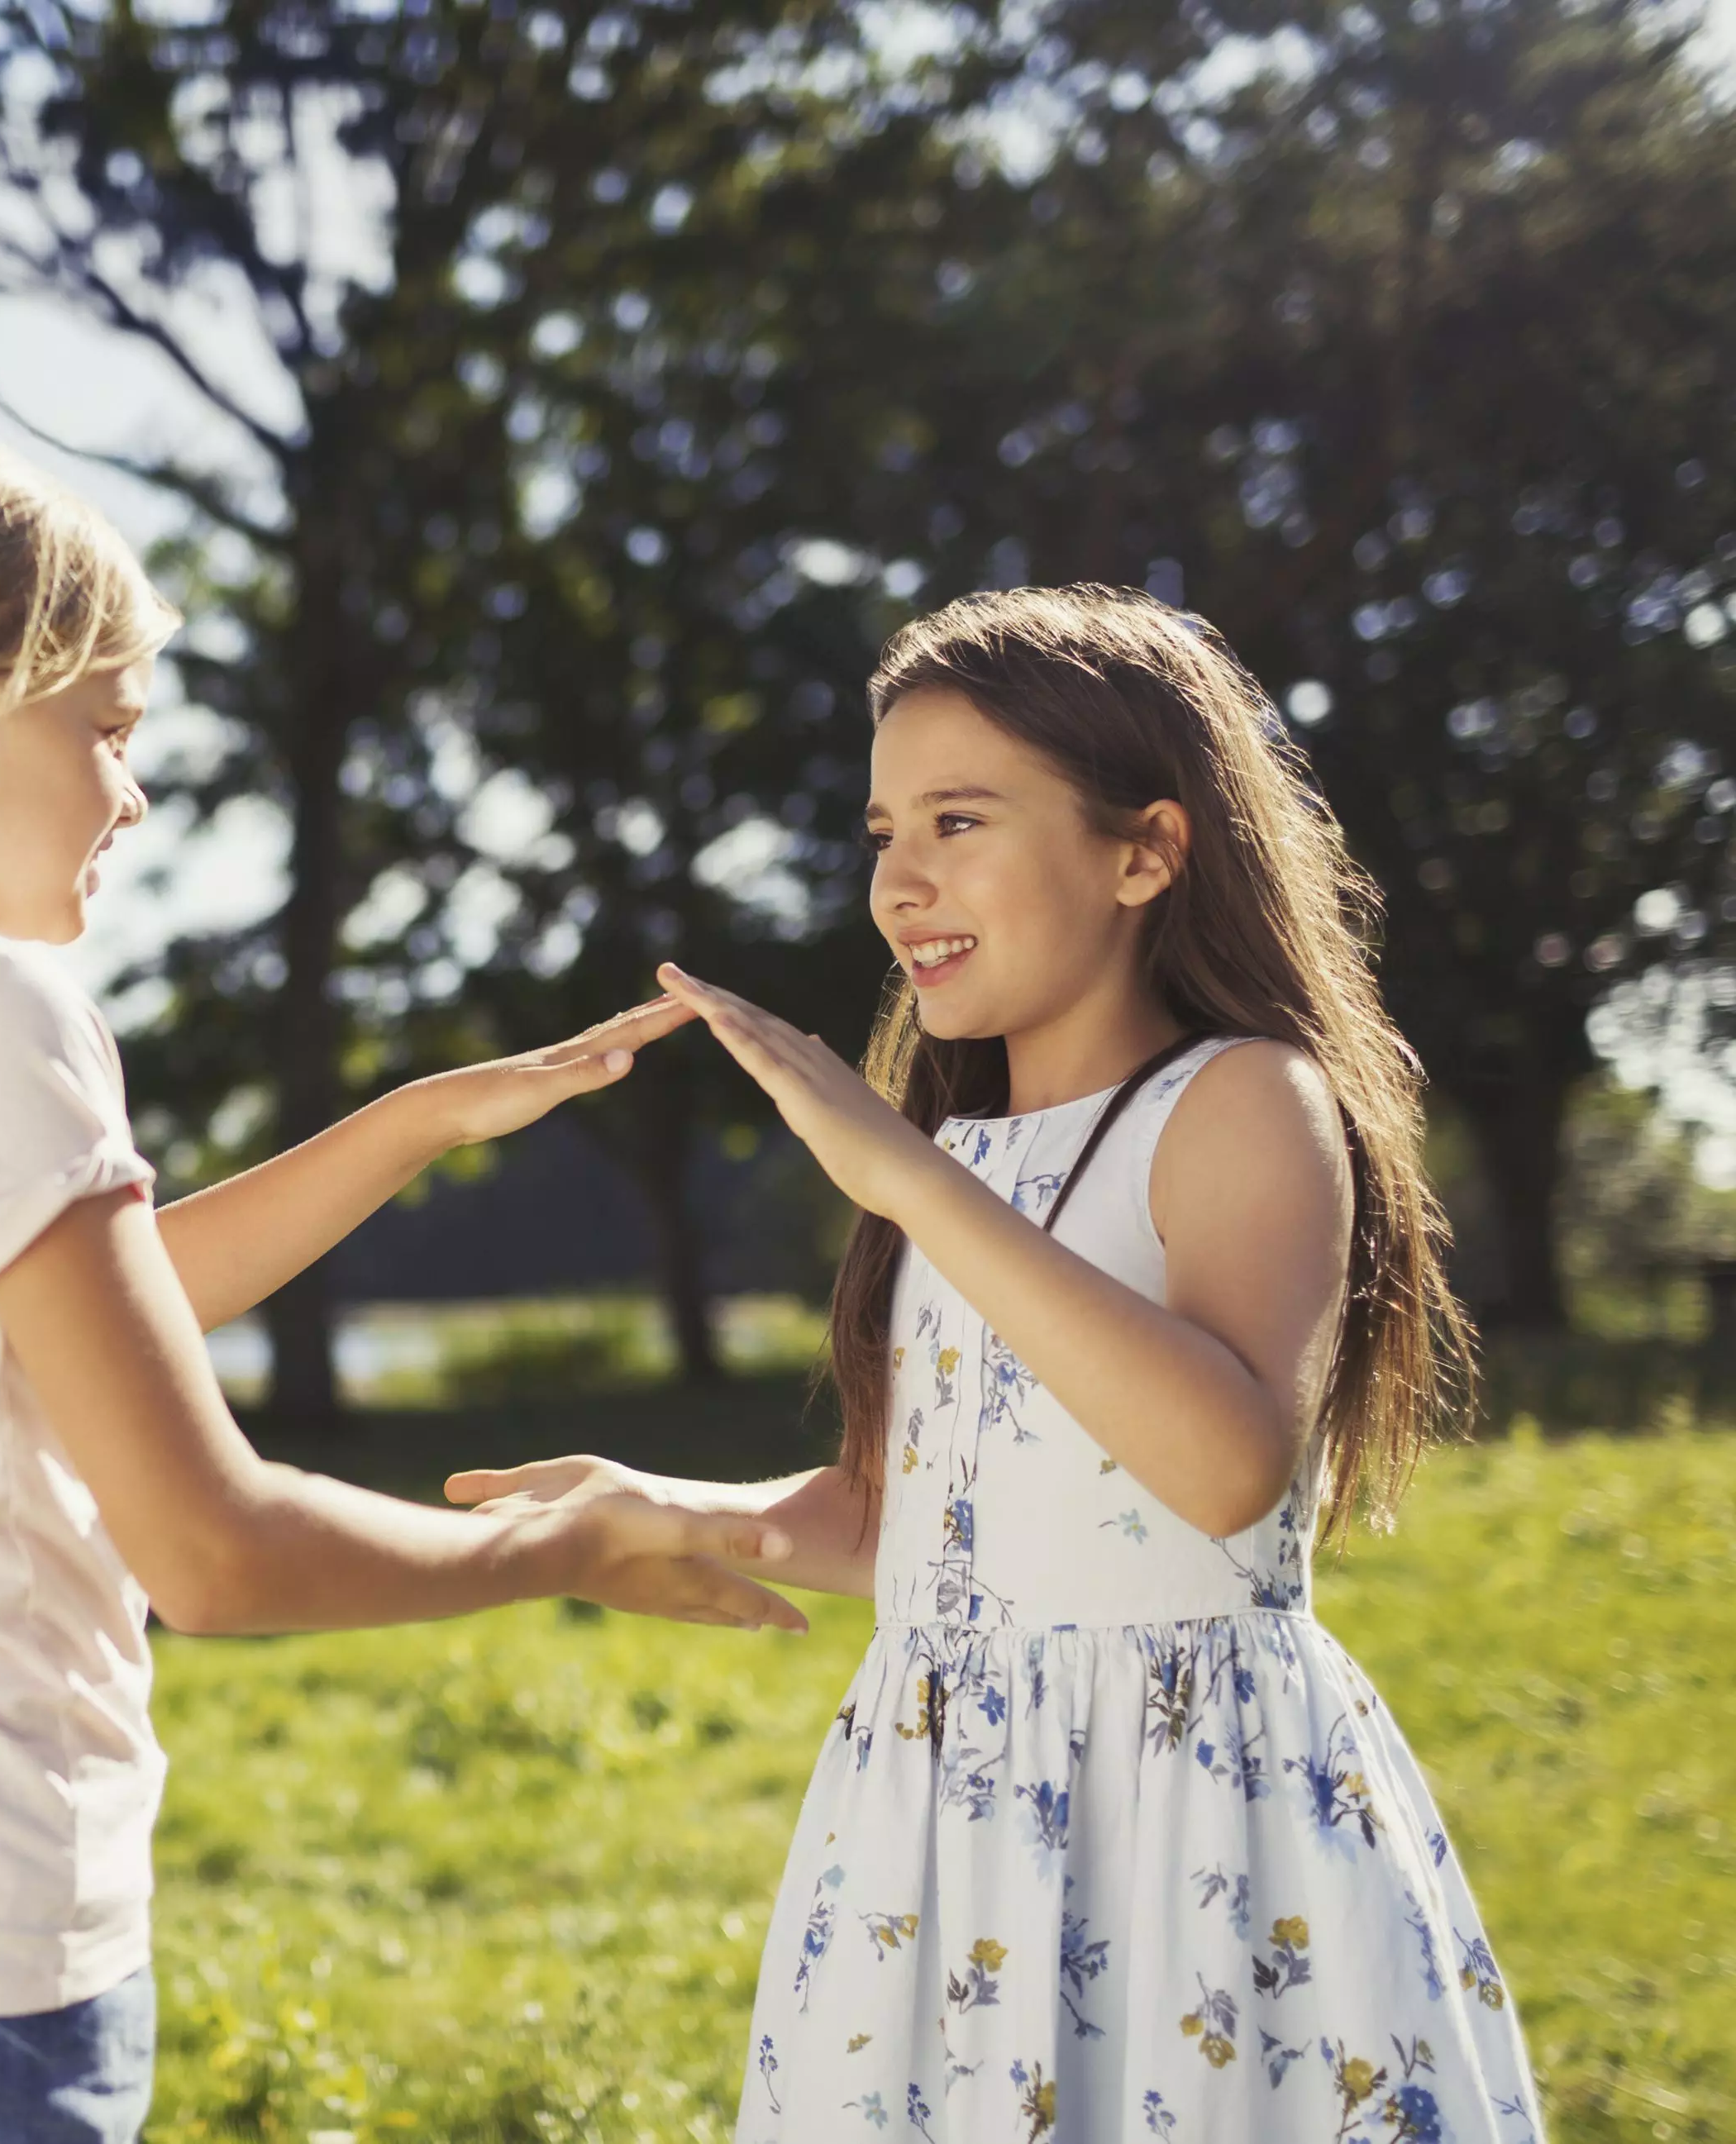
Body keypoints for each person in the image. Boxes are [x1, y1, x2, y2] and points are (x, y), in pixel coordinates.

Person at [0, 427, 802, 2144]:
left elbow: (68, 1328)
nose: (132, 792)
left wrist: (411, 1121)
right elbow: (211, 1552)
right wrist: (556, 1544)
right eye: (106, 729)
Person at [452, 587, 1540, 2139]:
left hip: (1183, 1818)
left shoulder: (1236, 1100)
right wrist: (659, 1503)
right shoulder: (953, 1156)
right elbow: (918, 1518)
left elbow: (1227, 1462)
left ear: (1143, 850)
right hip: (937, 1823)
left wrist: (906, 1181)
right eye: (881, 830)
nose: (899, 879)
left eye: (956, 819)